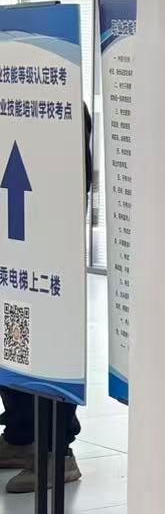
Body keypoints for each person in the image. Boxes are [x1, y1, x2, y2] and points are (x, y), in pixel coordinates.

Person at [0, 107, 88, 490]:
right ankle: (21, 438)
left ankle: (57, 452)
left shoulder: (52, 96)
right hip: (13, 247)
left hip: (42, 252)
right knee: (12, 345)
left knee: (44, 345)